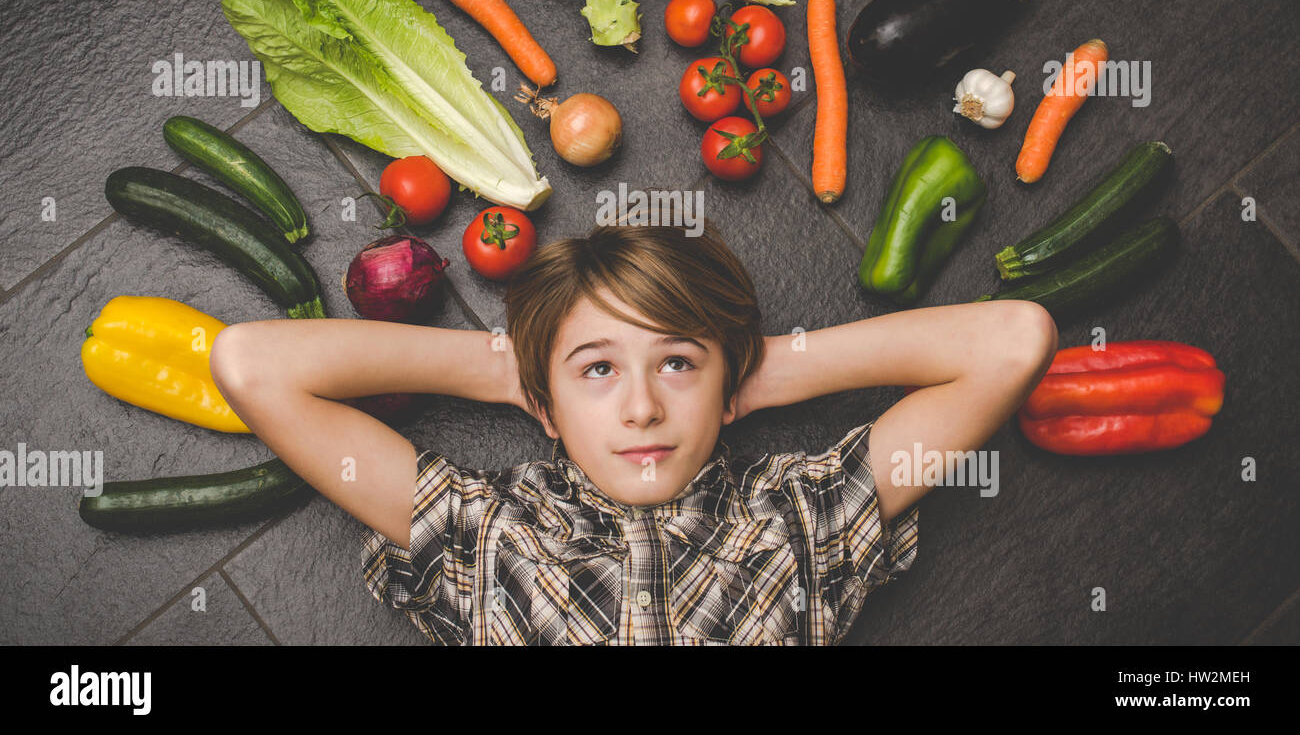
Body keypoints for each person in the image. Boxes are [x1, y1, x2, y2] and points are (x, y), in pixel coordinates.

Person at [210, 218, 1056, 645]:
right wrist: (518, 370)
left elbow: (1012, 342)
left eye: (676, 365)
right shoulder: (486, 537)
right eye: (599, 371)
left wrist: (746, 371)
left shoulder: (803, 520)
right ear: (546, 405)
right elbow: (252, 366)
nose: (643, 407)